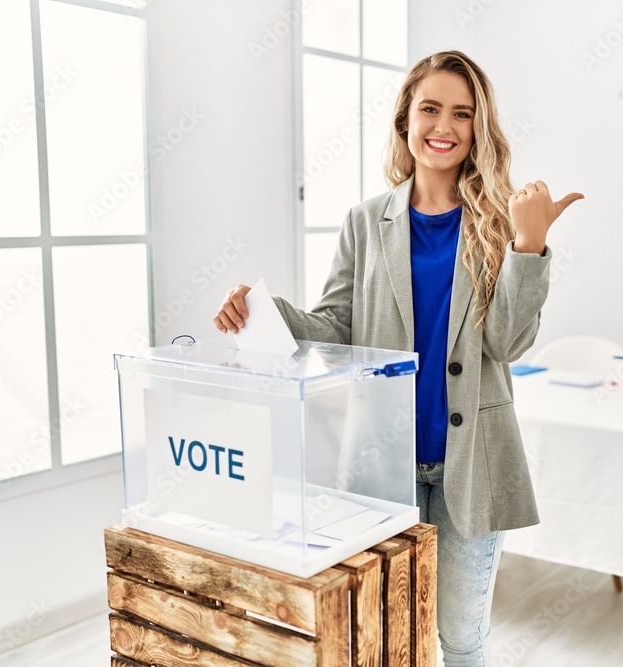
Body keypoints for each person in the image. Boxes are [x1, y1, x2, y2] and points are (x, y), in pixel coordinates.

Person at [213, 51, 582, 665]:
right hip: (385, 467)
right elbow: (336, 325)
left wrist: (530, 245)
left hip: (474, 465)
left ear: (477, 129)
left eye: (462, 114)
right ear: (404, 121)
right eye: (430, 108)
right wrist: (266, 313)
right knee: (387, 637)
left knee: (461, 640)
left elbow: (506, 346)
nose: (445, 125)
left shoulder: (499, 221)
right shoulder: (365, 222)